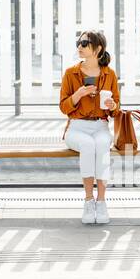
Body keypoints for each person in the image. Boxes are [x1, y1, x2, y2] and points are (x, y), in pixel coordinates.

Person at [58, 29, 120, 225]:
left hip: (101, 127)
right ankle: (88, 200)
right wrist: (78, 94)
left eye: (84, 43)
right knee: (87, 145)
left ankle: (101, 202)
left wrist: (113, 106)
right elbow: (63, 107)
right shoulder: (71, 73)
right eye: (79, 43)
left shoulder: (109, 74)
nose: (79, 47)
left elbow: (116, 109)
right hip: (76, 128)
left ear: (98, 48)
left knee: (101, 145)